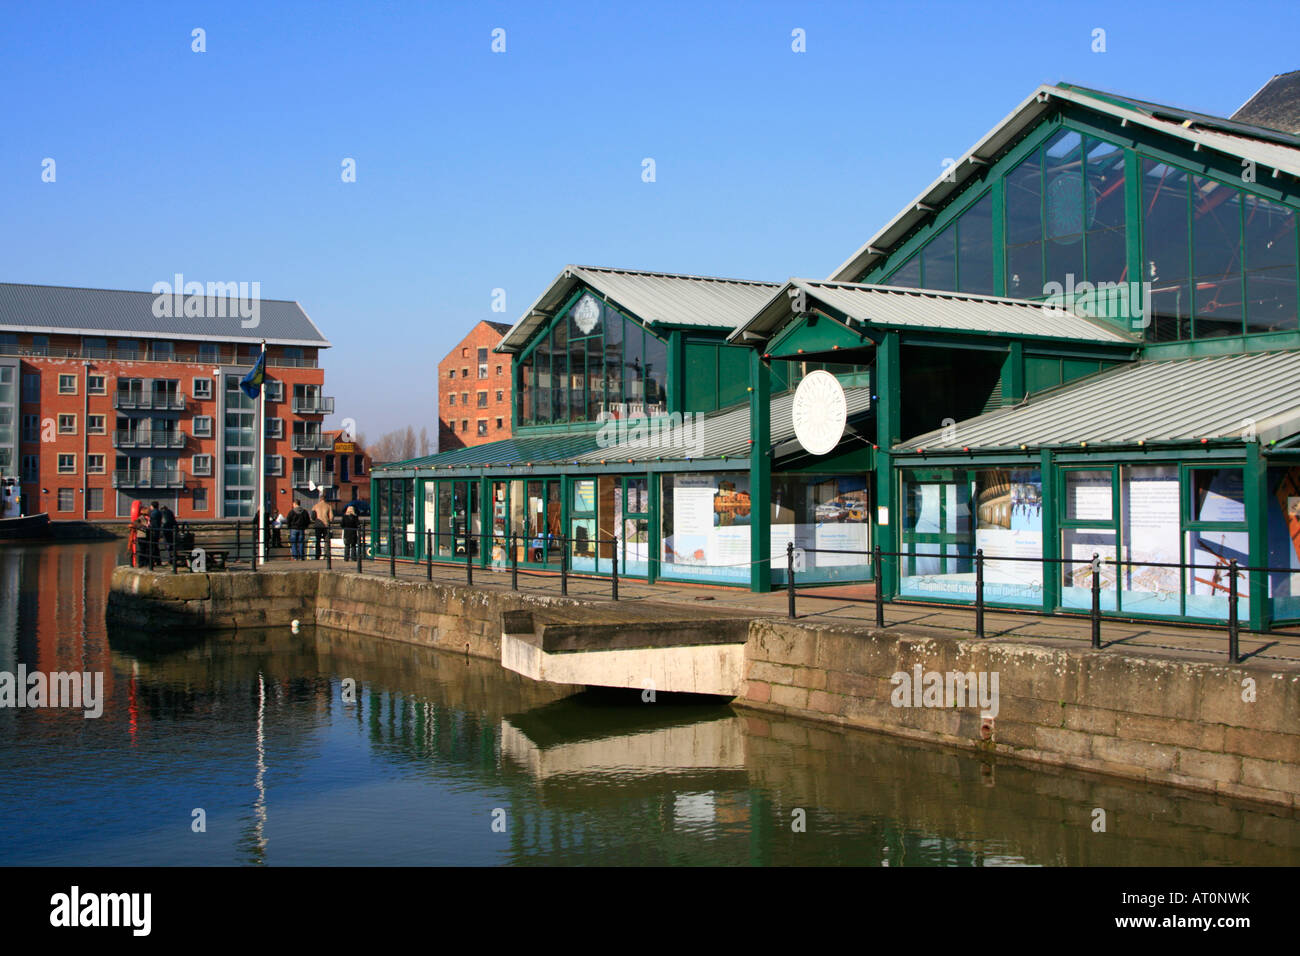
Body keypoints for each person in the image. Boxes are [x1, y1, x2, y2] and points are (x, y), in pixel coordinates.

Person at [147, 501, 162, 567]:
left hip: (154, 531)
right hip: (157, 531)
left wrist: (149, 522)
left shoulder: (153, 513)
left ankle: (153, 562)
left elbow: (152, 522)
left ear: (152, 506)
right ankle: (157, 561)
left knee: (153, 547)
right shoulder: (159, 512)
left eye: (150, 506)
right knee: (155, 546)